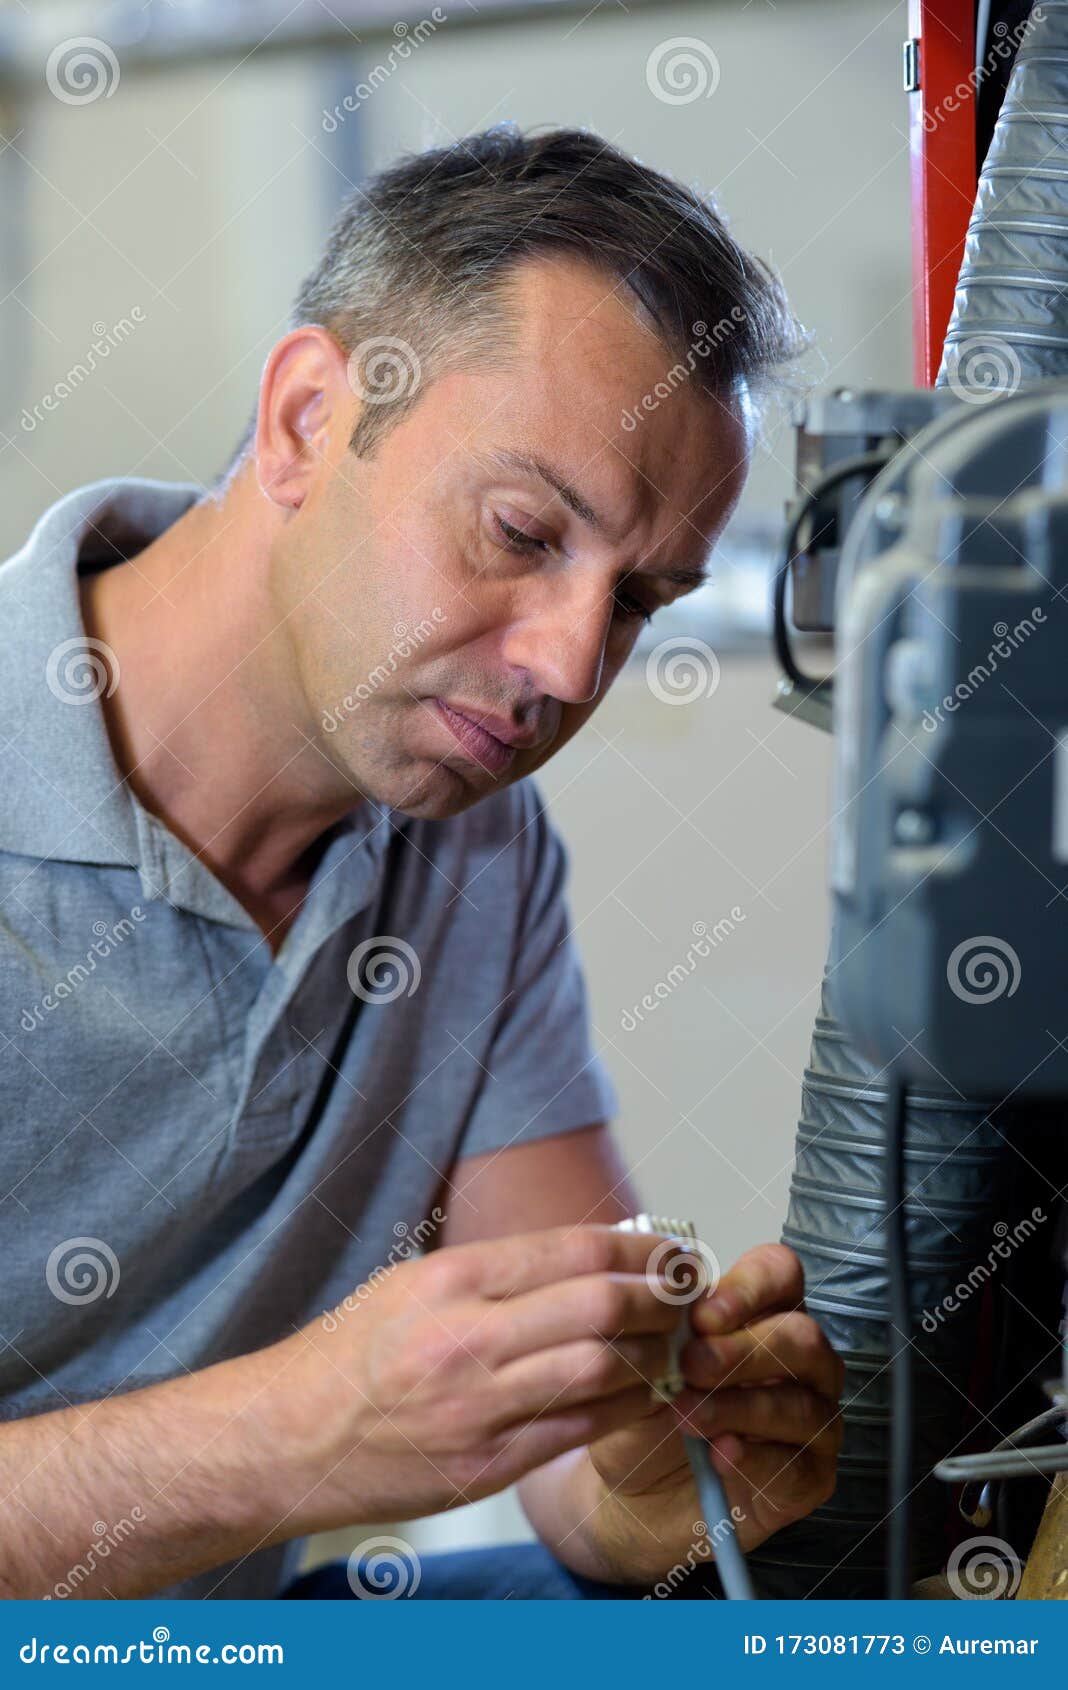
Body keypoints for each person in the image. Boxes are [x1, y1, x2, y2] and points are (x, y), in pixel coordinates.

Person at [0, 125, 841, 1600]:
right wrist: (298, 1435)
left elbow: (585, 1460)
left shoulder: (477, 854)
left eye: (638, 597)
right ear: (310, 419)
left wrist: (658, 1477)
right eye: (522, 530)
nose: (571, 664)